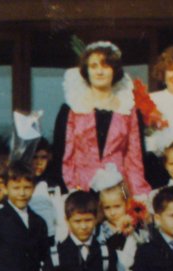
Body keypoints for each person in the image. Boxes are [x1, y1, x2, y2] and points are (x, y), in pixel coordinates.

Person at [52, 41, 151, 195]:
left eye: (105, 66)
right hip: (81, 188)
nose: (99, 72)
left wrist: (137, 194)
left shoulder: (128, 109)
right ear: (86, 71)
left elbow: (134, 159)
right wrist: (71, 191)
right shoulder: (72, 109)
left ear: (114, 70)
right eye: (94, 66)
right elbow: (65, 157)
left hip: (120, 189)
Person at [57, 190, 119, 271]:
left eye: (88, 220)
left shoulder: (106, 251)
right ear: (67, 220)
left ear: (96, 219)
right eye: (77, 221)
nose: (84, 226)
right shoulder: (57, 254)